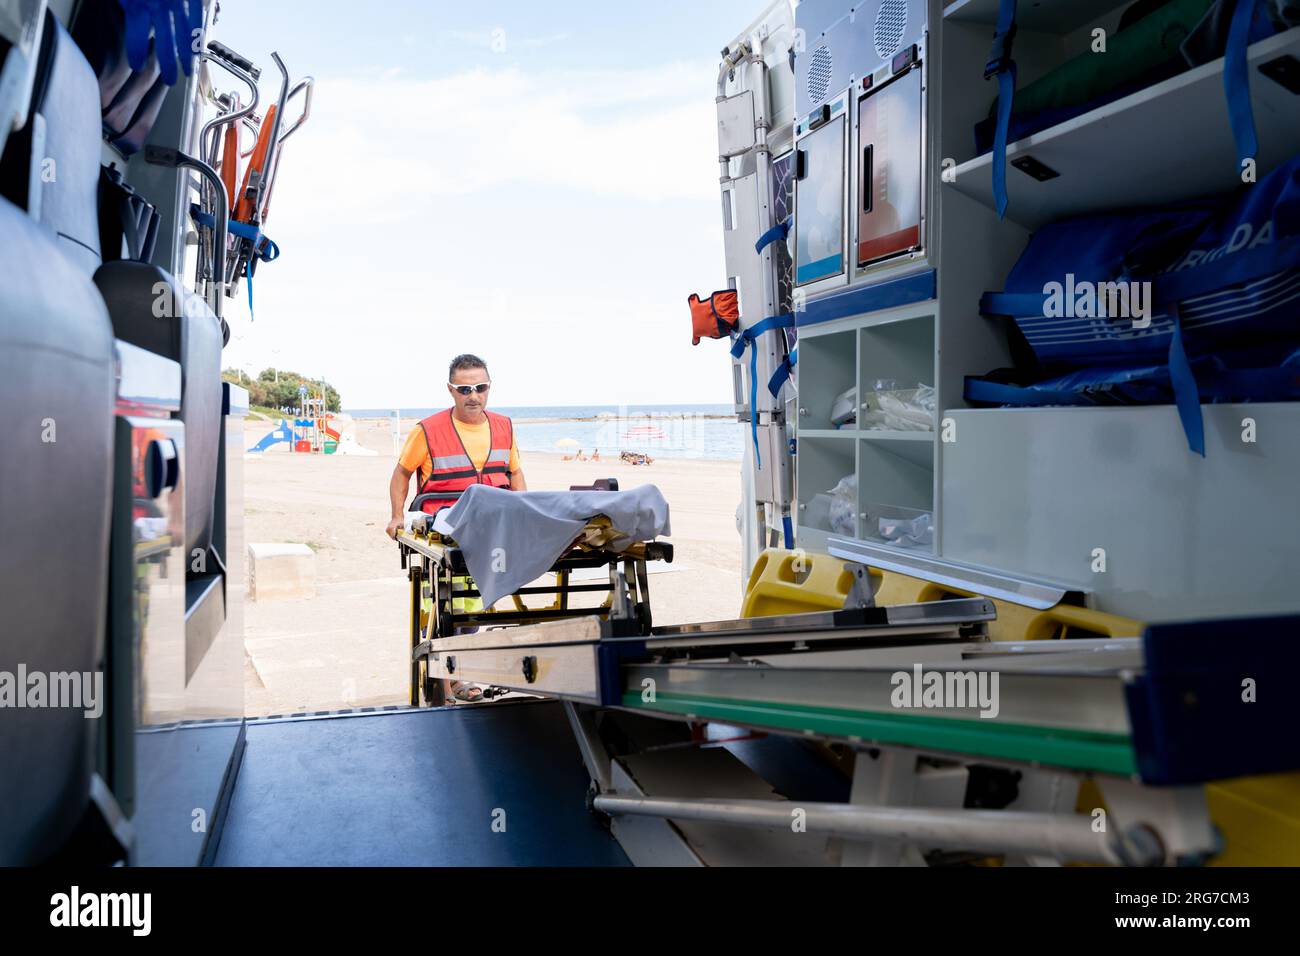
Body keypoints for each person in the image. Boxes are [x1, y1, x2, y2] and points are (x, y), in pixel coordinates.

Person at [385, 354, 527, 703]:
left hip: (490, 530)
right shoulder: (428, 430)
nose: (473, 395)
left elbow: (515, 474)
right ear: (451, 390)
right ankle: (443, 684)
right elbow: (402, 473)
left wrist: (525, 511)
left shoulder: (505, 426)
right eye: (465, 389)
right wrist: (396, 515)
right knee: (439, 608)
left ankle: (458, 677)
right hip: (443, 529)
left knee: (472, 609)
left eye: (480, 387)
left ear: (489, 387)